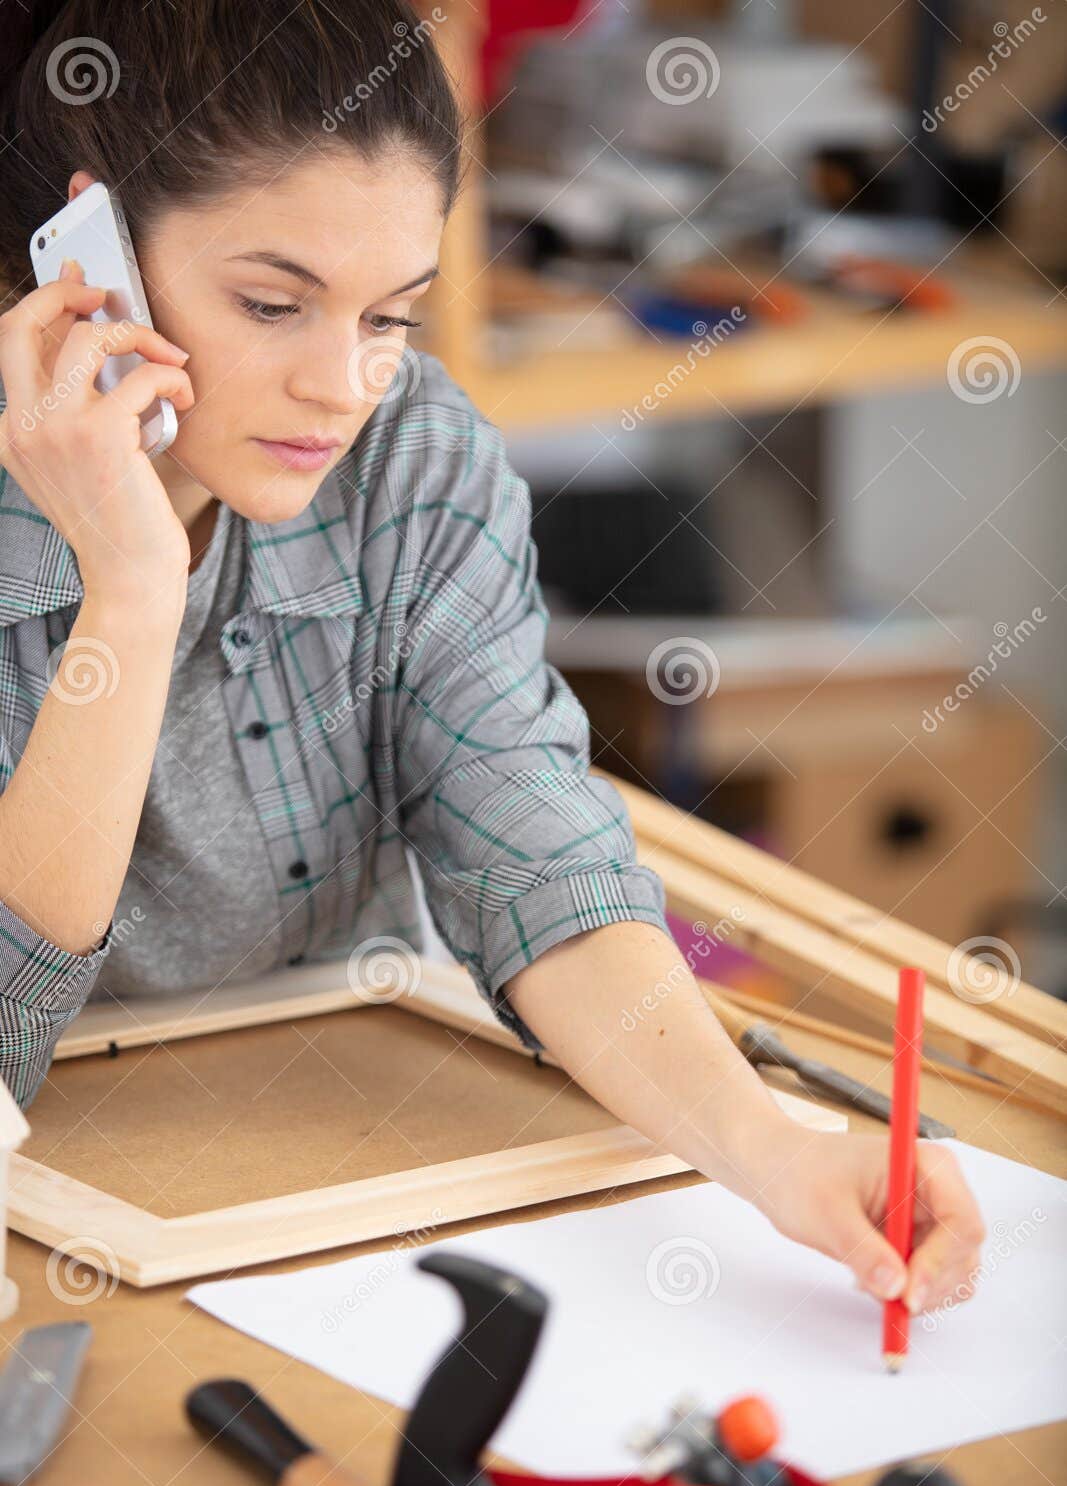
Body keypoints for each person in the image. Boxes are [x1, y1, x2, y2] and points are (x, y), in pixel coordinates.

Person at [0, 0, 983, 1318]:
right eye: (274, 303)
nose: (343, 385)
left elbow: (539, 863)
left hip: (335, 1184)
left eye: (390, 317)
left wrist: (776, 1151)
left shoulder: (414, 458)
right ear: (89, 264)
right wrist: (129, 590)